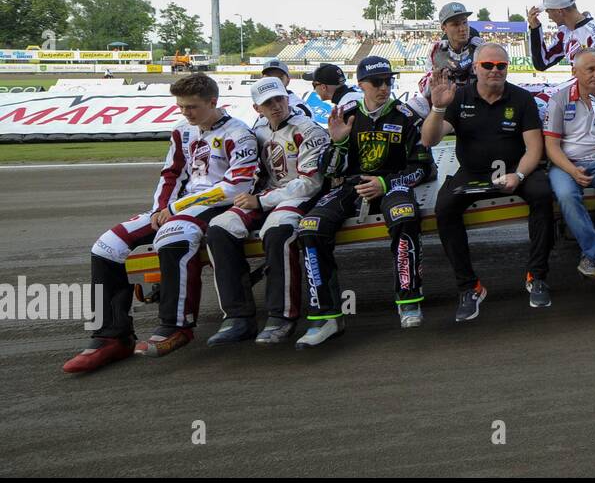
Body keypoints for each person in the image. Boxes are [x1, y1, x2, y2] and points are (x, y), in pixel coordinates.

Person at [62, 74, 260, 372]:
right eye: (181, 106)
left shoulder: (239, 133)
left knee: (172, 234)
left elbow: (236, 186)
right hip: (178, 206)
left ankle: (176, 325)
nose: (185, 113)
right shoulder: (182, 131)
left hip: (218, 207)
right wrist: (159, 209)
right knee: (106, 245)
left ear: (213, 102)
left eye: (192, 107)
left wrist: (178, 208)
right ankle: (111, 335)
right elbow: (171, 174)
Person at [295, 56, 431, 348]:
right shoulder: (345, 115)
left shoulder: (406, 116)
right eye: (376, 82)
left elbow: (423, 167)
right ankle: (326, 317)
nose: (384, 87)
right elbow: (330, 170)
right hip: (353, 185)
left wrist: (385, 183)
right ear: (361, 85)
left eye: (388, 81)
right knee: (309, 227)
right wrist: (340, 142)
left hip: (392, 183)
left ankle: (408, 301)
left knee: (405, 216)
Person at [423, 43, 554, 318]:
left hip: (516, 170)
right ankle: (469, 287)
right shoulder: (458, 97)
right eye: (487, 65)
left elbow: (534, 149)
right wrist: (437, 108)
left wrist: (518, 175)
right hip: (473, 172)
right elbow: (429, 139)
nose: (495, 70)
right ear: (475, 68)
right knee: (445, 208)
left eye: (501, 66)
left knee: (542, 194)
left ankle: (537, 276)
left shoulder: (521, 99)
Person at [203, 77, 330, 345]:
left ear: (287, 98)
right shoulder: (258, 129)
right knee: (218, 229)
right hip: (265, 194)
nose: (275, 106)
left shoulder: (308, 130)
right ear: (256, 108)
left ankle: (281, 316)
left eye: (278, 99)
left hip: (299, 196)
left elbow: (311, 183)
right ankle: (237, 317)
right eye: (267, 103)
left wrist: (261, 201)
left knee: (278, 231)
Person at [543, 49, 595, 292]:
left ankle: (590, 256)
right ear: (574, 72)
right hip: (566, 162)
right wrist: (572, 170)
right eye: (590, 69)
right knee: (568, 196)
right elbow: (551, 146)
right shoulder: (559, 99)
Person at [527, 0, 595, 90]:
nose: (549, 17)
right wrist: (535, 29)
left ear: (559, 11)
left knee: (538, 99)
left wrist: (557, 93)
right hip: (576, 94)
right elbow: (542, 63)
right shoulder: (565, 32)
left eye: (548, 11)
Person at [427, 1, 485, 87]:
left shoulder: (481, 47)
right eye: (455, 24)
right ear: (443, 27)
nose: (462, 29)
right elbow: (424, 89)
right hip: (446, 98)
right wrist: (436, 75)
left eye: (464, 22)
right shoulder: (436, 50)